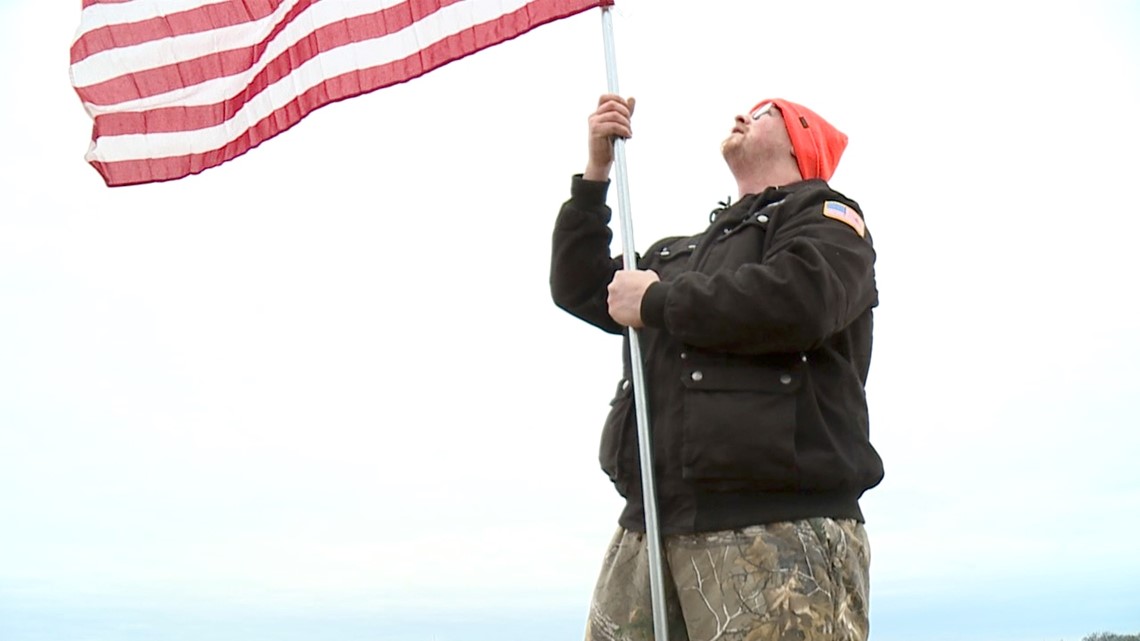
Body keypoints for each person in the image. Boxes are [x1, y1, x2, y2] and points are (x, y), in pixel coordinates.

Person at [549, 94, 884, 641]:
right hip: (650, 528)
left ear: (804, 142)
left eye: (764, 114)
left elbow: (803, 300)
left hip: (776, 528)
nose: (741, 117)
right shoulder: (678, 255)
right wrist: (595, 174)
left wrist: (658, 302)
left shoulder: (830, 221)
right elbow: (579, 285)